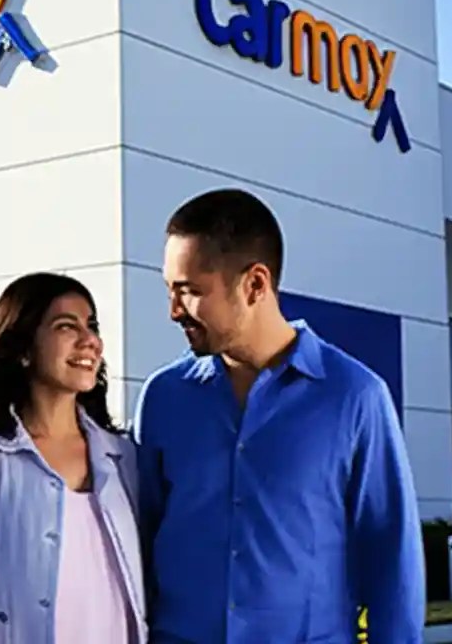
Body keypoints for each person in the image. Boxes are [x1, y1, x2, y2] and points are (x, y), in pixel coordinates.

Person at [132, 188, 425, 643]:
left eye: (189, 292)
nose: (173, 311)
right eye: (169, 290)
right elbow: (137, 543)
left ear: (255, 284)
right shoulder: (163, 398)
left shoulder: (355, 397)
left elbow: (392, 559)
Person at [0, 272, 146, 644]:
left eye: (92, 325)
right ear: (23, 350)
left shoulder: (122, 455)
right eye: (67, 326)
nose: (90, 341)